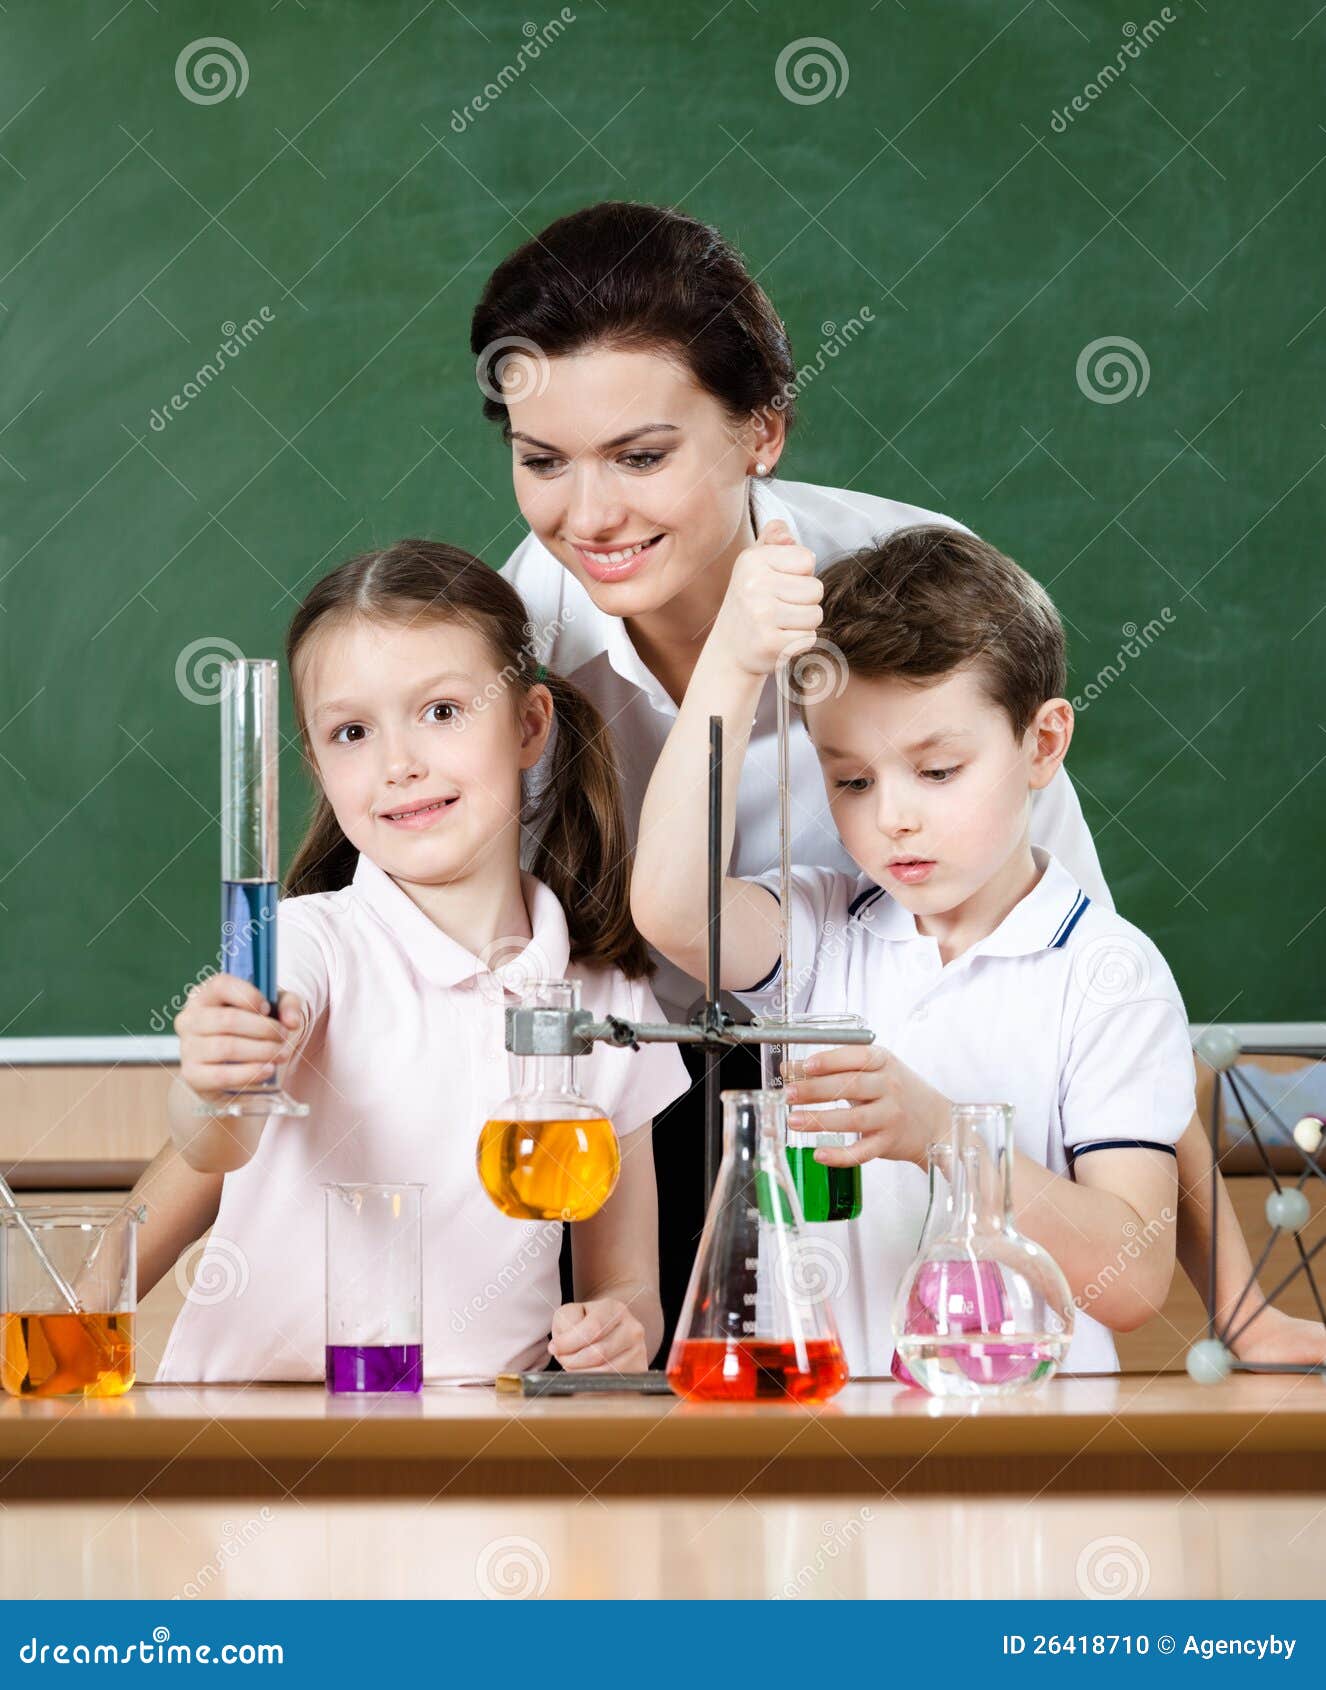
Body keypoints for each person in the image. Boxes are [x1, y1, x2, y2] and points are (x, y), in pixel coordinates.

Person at [473, 198, 1324, 1365]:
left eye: (644, 455)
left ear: (762, 432)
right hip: (630, 1109)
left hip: (893, 1089)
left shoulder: (907, 601)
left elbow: (1089, 964)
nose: (592, 513)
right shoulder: (519, 646)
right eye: (542, 462)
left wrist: (1237, 1305)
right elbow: (570, 937)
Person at [632, 522, 1189, 1372]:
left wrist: (941, 1135)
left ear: (1041, 744)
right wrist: (735, 663)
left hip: (1032, 1460)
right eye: (851, 780)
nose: (892, 816)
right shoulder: (821, 932)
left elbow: (1134, 1277)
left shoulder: (1107, 975)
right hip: (818, 1440)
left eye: (937, 772)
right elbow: (672, 906)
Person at [157, 541, 686, 1382]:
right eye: (352, 731)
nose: (398, 763)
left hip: (477, 1447)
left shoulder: (604, 994)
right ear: (320, 768)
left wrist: (622, 1324)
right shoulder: (304, 944)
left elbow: (624, 1274)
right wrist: (208, 1083)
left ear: (529, 725)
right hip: (253, 1439)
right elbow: (215, 1142)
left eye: (442, 711)